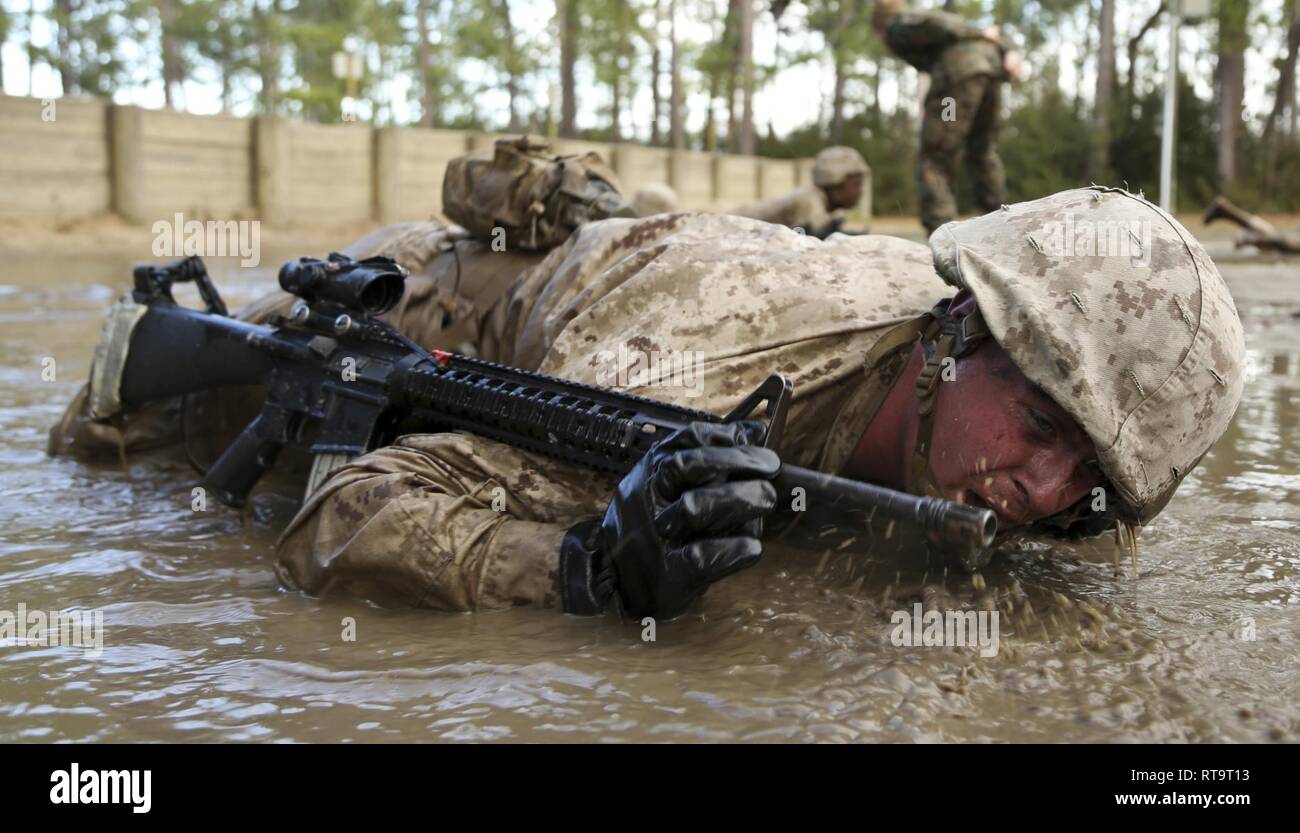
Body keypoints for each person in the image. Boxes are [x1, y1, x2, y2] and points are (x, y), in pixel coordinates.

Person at [268, 187, 1245, 619]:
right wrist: (589, 569)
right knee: (143, 427)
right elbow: (346, 514)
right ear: (954, 329)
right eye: (1037, 428)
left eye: (1091, 475)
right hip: (429, 291)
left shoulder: (1073, 440)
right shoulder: (693, 374)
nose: (1040, 490)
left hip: (649, 266)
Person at [873, 0, 1022, 234]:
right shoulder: (905, 29)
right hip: (989, 75)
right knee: (980, 149)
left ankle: (941, 234)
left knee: (937, 153)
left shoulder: (897, 25)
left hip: (956, 86)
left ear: (878, 24)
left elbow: (941, 22)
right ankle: (1002, 226)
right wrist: (1005, 47)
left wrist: (986, 35)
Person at [731, 146, 868, 238]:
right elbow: (808, 244)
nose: (860, 191)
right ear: (834, 182)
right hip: (731, 228)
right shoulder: (808, 201)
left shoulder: (826, 205)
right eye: (856, 184)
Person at [1203, 195, 1300, 254]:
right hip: (1281, 240)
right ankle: (1224, 211)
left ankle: (1224, 211)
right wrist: (1249, 241)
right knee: (1270, 234)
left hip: (1279, 241)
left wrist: (1249, 241)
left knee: (1268, 232)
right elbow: (1281, 241)